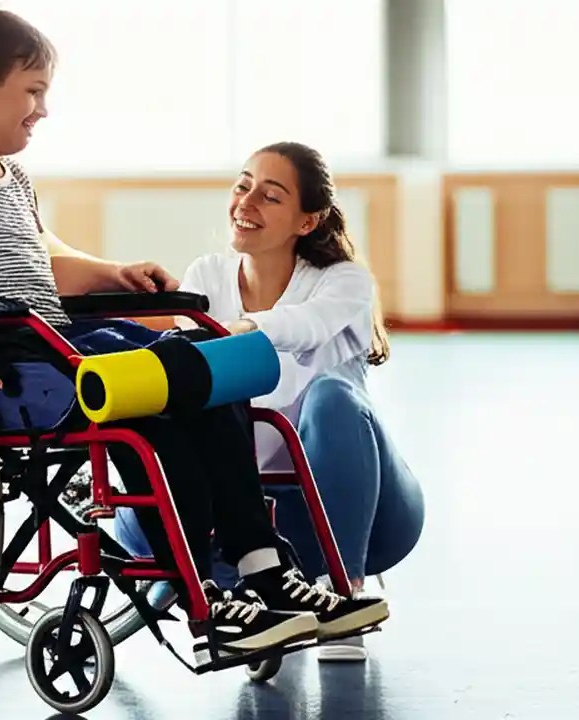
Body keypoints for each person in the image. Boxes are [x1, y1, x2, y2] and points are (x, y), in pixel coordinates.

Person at [0, 11, 386, 665]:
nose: (43, 110)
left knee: (208, 375)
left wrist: (111, 272)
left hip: (59, 340)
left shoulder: (14, 182)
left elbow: (40, 263)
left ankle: (263, 567)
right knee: (156, 399)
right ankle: (208, 601)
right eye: (35, 91)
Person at [114, 141, 425, 662]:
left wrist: (236, 331)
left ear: (307, 221)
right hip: (246, 514)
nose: (246, 202)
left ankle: (344, 587)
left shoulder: (343, 281)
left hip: (355, 515)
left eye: (270, 195)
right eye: (242, 185)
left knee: (331, 396)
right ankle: (233, 579)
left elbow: (304, 328)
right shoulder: (208, 275)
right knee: (186, 392)